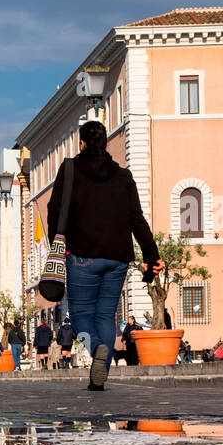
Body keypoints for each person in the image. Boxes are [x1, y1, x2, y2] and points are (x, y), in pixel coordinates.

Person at [49, 119, 161, 391]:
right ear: (106, 142)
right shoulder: (123, 176)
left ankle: (97, 348)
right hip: (117, 257)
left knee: (80, 317)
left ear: (83, 143)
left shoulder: (70, 169)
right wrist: (151, 253)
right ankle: (100, 375)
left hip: (82, 256)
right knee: (106, 315)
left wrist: (57, 245)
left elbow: (54, 209)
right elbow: (137, 218)